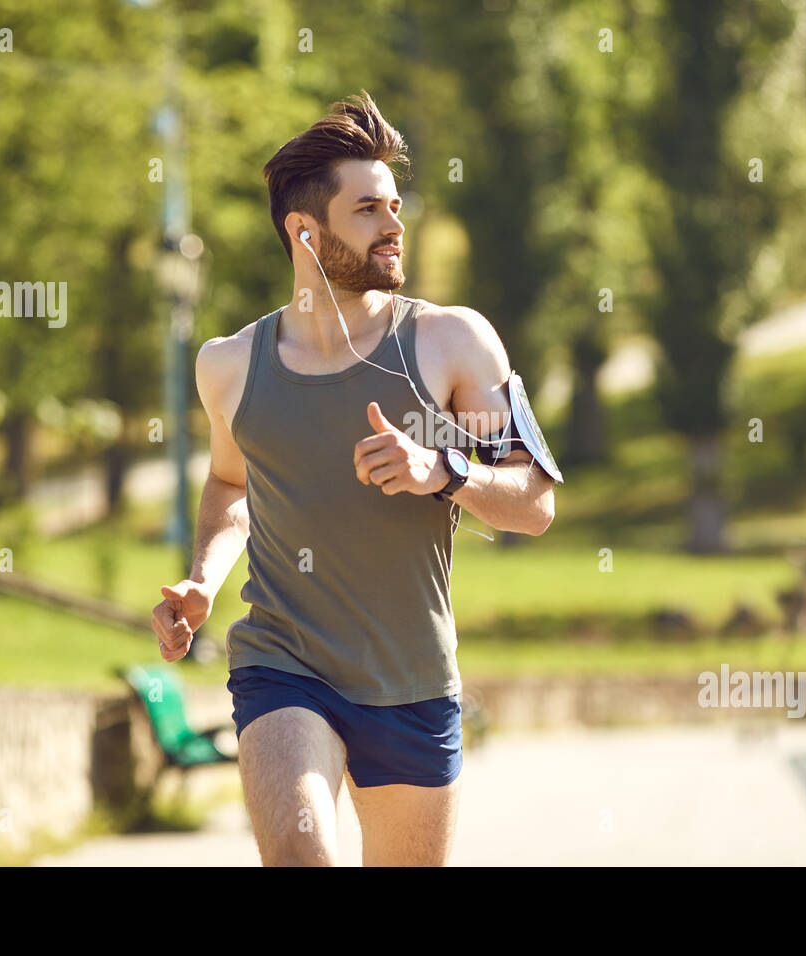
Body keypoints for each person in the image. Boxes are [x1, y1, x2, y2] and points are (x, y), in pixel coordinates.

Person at [150, 91, 556, 866]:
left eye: (396, 205)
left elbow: (534, 503)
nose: (396, 225)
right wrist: (203, 580)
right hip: (283, 665)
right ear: (305, 231)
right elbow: (232, 488)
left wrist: (443, 470)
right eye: (369, 208)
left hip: (413, 682)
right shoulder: (230, 365)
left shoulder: (454, 343)